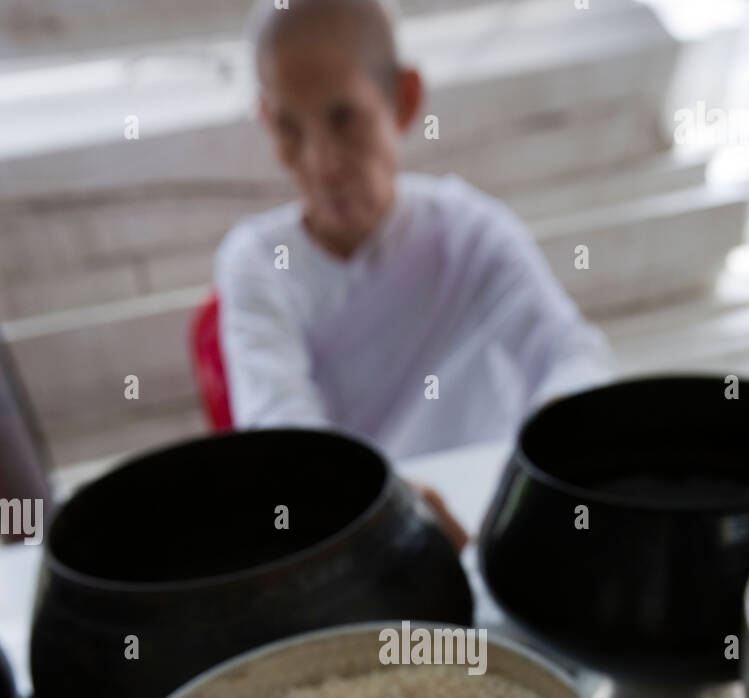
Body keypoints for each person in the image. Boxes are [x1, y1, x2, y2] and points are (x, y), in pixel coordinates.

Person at [215, 0, 614, 469]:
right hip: (351, 519)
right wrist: (386, 509)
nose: (321, 164)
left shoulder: (467, 234)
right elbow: (281, 431)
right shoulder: (258, 263)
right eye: (288, 128)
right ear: (265, 119)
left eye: (344, 119)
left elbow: (571, 354)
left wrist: (554, 427)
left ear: (404, 99)